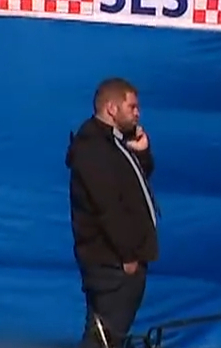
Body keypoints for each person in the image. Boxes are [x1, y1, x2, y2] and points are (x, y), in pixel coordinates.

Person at [66, 77, 159, 348]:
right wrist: (128, 255)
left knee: (104, 335)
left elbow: (133, 183)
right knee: (105, 339)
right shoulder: (94, 149)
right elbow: (108, 207)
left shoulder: (113, 144)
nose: (137, 113)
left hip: (115, 262)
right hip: (111, 264)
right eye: (132, 107)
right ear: (111, 108)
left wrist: (141, 153)